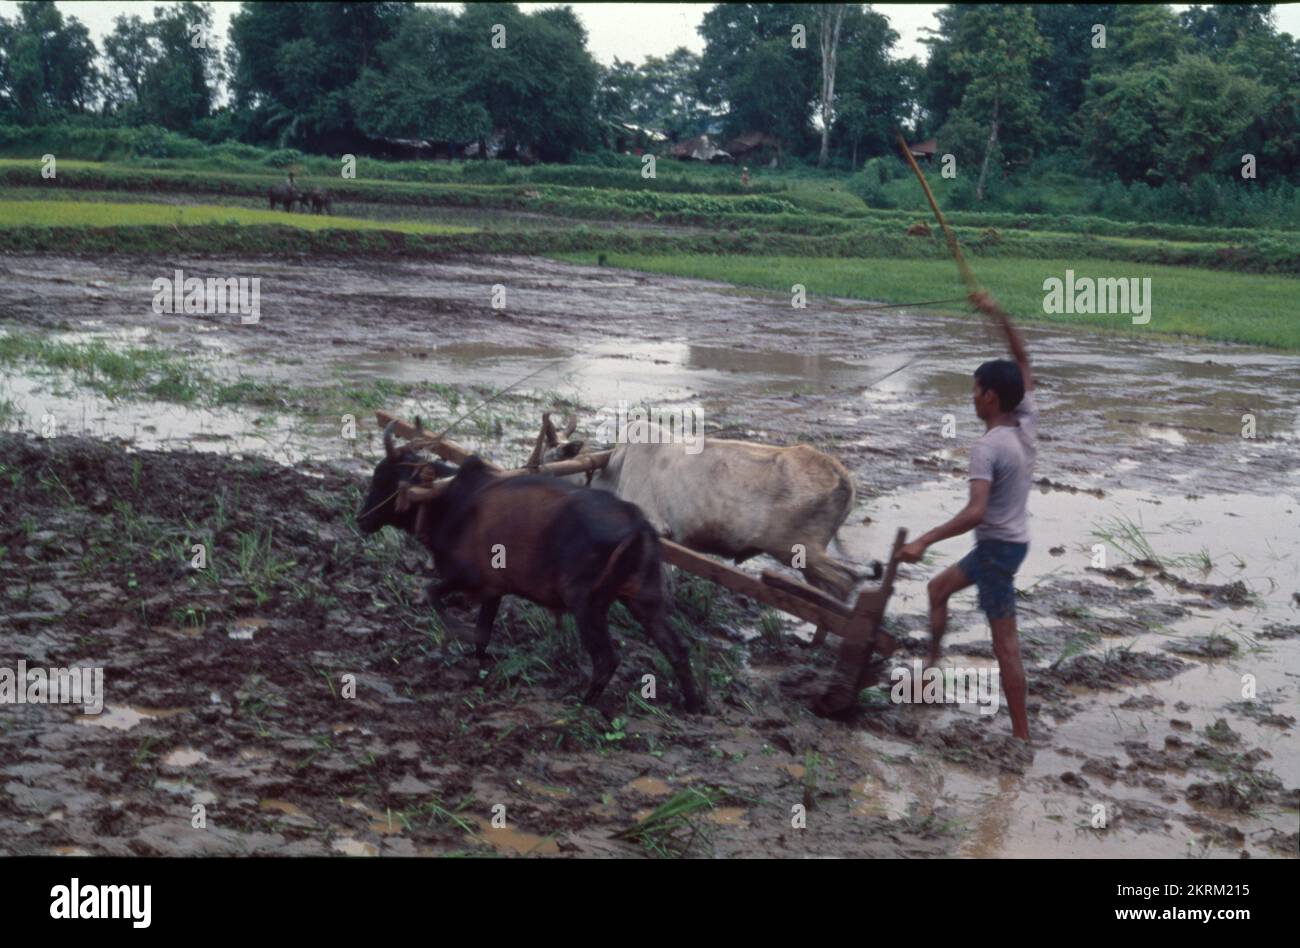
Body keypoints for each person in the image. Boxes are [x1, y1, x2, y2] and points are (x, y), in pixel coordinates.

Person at [897, 295, 1037, 740]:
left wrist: (923, 540)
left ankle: (1021, 735)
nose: (971, 397)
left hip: (996, 551)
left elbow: (975, 511)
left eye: (975, 390)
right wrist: (999, 313)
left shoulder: (988, 447)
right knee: (937, 590)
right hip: (1009, 544)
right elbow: (1022, 358)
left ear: (991, 397)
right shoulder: (1026, 422)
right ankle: (930, 673)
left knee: (1005, 646)